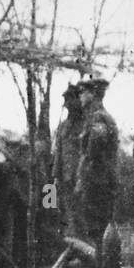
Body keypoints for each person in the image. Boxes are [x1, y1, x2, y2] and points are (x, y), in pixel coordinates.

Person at [73, 76, 120, 246]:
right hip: (99, 181)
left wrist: (82, 179)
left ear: (92, 94)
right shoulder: (96, 118)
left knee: (99, 230)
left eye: (83, 92)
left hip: (97, 182)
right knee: (99, 231)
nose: (80, 96)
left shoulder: (98, 118)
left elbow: (93, 153)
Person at [51, 83, 84, 236]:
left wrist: (81, 178)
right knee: (64, 213)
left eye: (70, 102)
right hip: (65, 178)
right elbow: (58, 152)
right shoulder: (63, 127)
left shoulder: (86, 125)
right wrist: (55, 177)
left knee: (80, 215)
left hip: (81, 178)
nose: (67, 107)